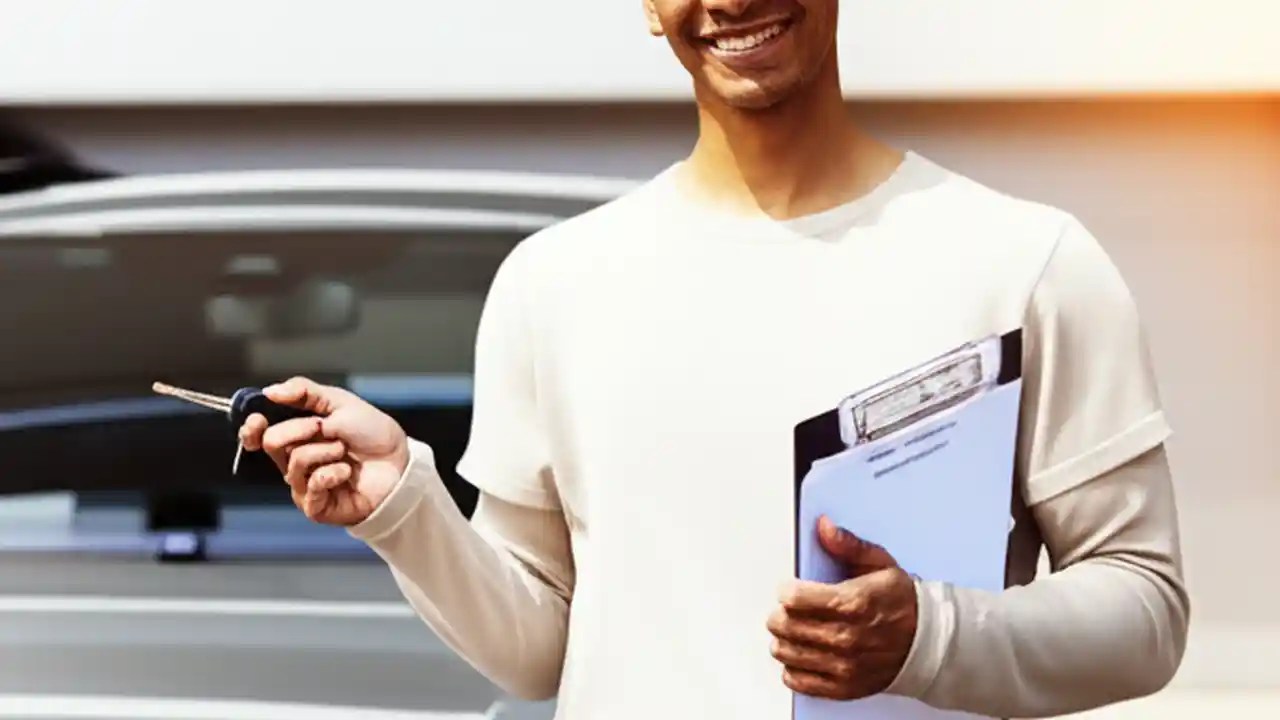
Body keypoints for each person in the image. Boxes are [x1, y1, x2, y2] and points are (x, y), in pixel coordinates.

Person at [239, 1, 1190, 717]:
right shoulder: (555, 282)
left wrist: (931, 635)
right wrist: (405, 502)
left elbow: (1145, 606)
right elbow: (540, 651)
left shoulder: (1027, 261)